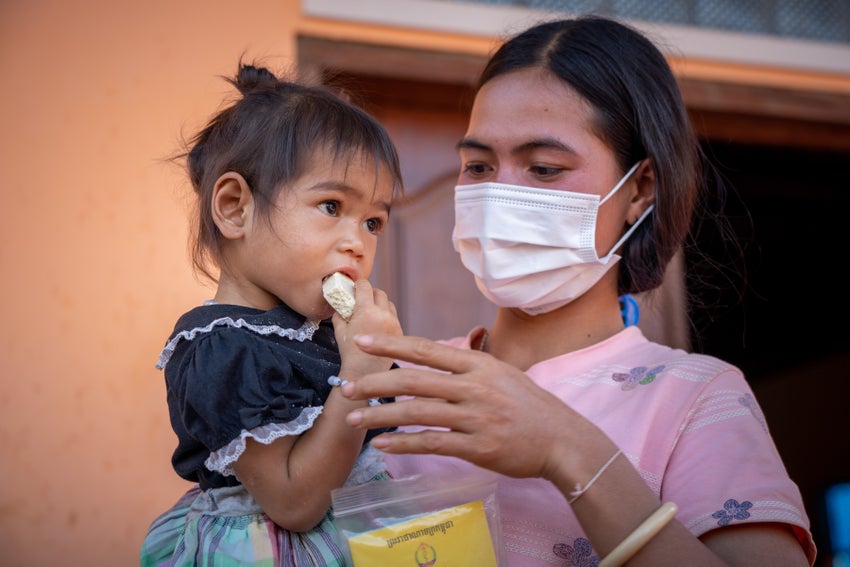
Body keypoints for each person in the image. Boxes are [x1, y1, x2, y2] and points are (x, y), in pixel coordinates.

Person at [337, 15, 816, 567]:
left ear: (639, 190)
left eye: (543, 168)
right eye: (477, 165)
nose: (498, 195)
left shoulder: (695, 400)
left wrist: (567, 450)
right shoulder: (397, 387)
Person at [140, 62, 404, 566]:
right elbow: (295, 502)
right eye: (331, 207)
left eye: (373, 221)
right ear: (236, 207)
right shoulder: (224, 348)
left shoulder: (317, 333)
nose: (357, 243)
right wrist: (359, 379)